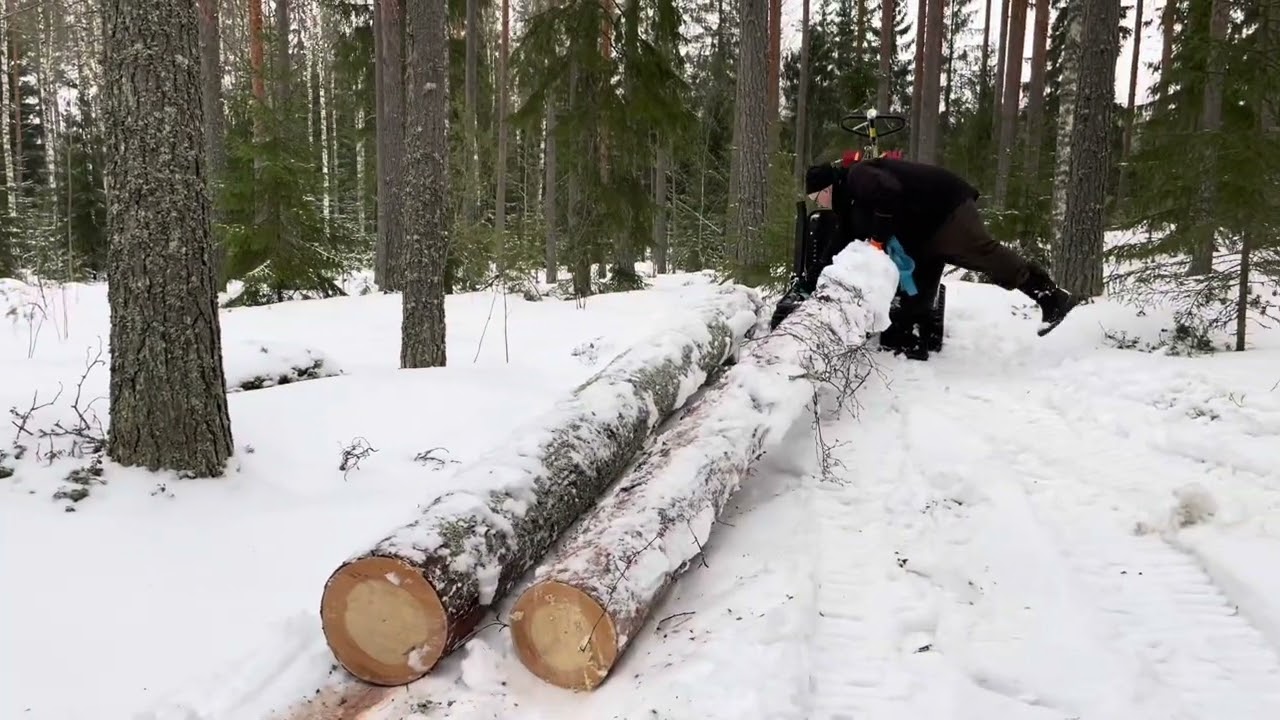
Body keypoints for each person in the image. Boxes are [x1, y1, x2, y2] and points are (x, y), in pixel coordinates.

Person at [773, 154, 1079, 358]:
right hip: (925, 230)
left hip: (946, 210)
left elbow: (889, 194)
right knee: (917, 283)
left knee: (984, 255)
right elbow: (837, 244)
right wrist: (812, 281)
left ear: (829, 186)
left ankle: (1050, 296)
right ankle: (909, 338)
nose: (819, 203)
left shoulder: (859, 176)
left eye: (819, 196)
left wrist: (878, 239)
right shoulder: (849, 203)